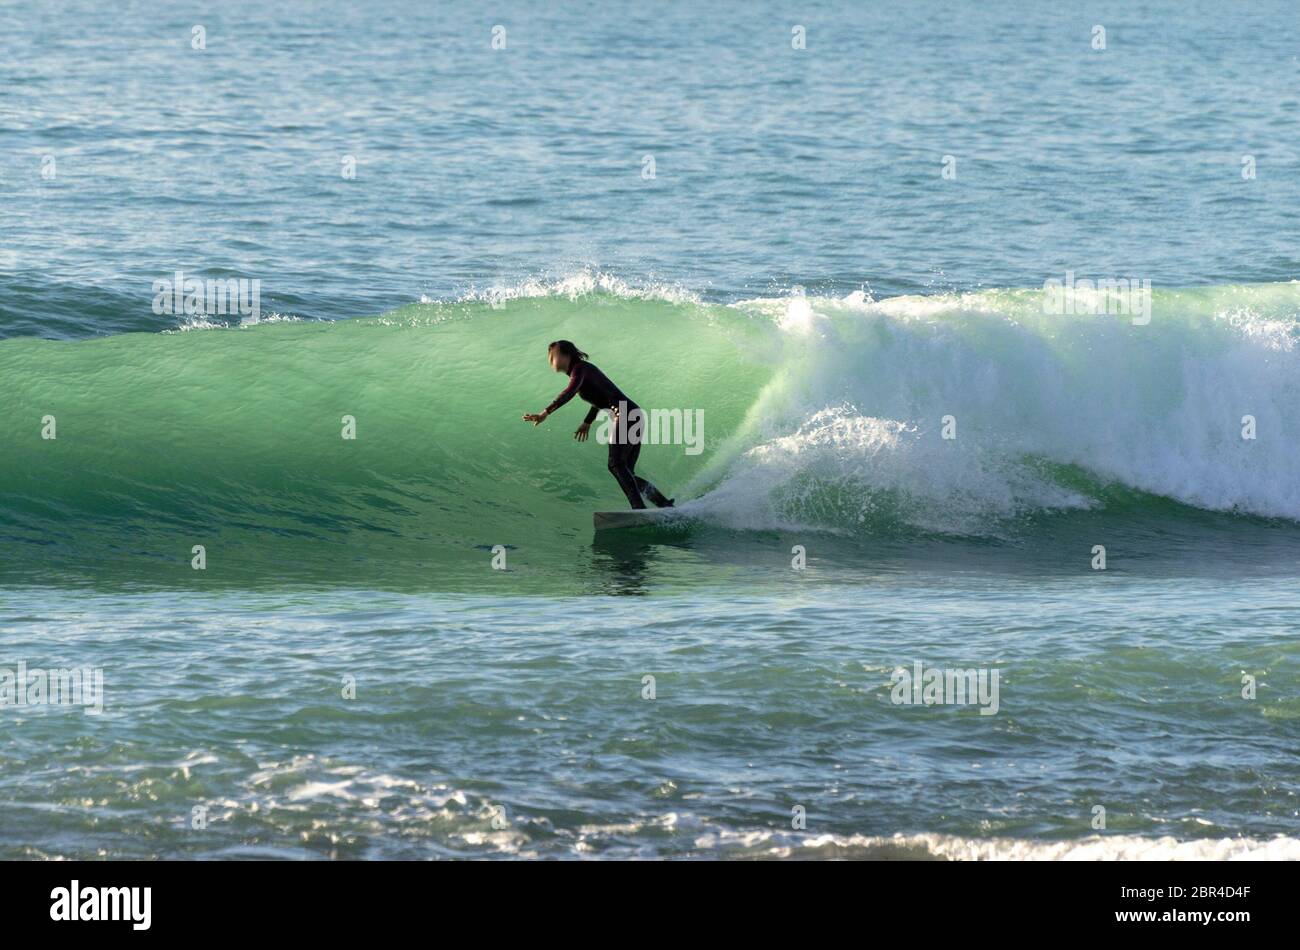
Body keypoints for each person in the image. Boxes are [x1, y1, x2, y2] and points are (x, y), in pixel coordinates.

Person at [523, 341, 674, 510]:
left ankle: (639, 508)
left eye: (553, 356)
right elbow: (601, 397)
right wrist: (588, 421)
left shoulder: (579, 369)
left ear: (566, 355)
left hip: (626, 415)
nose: (550, 360)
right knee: (627, 473)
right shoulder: (584, 370)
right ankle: (664, 504)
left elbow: (570, 392)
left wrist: (545, 413)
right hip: (634, 414)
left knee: (615, 464)